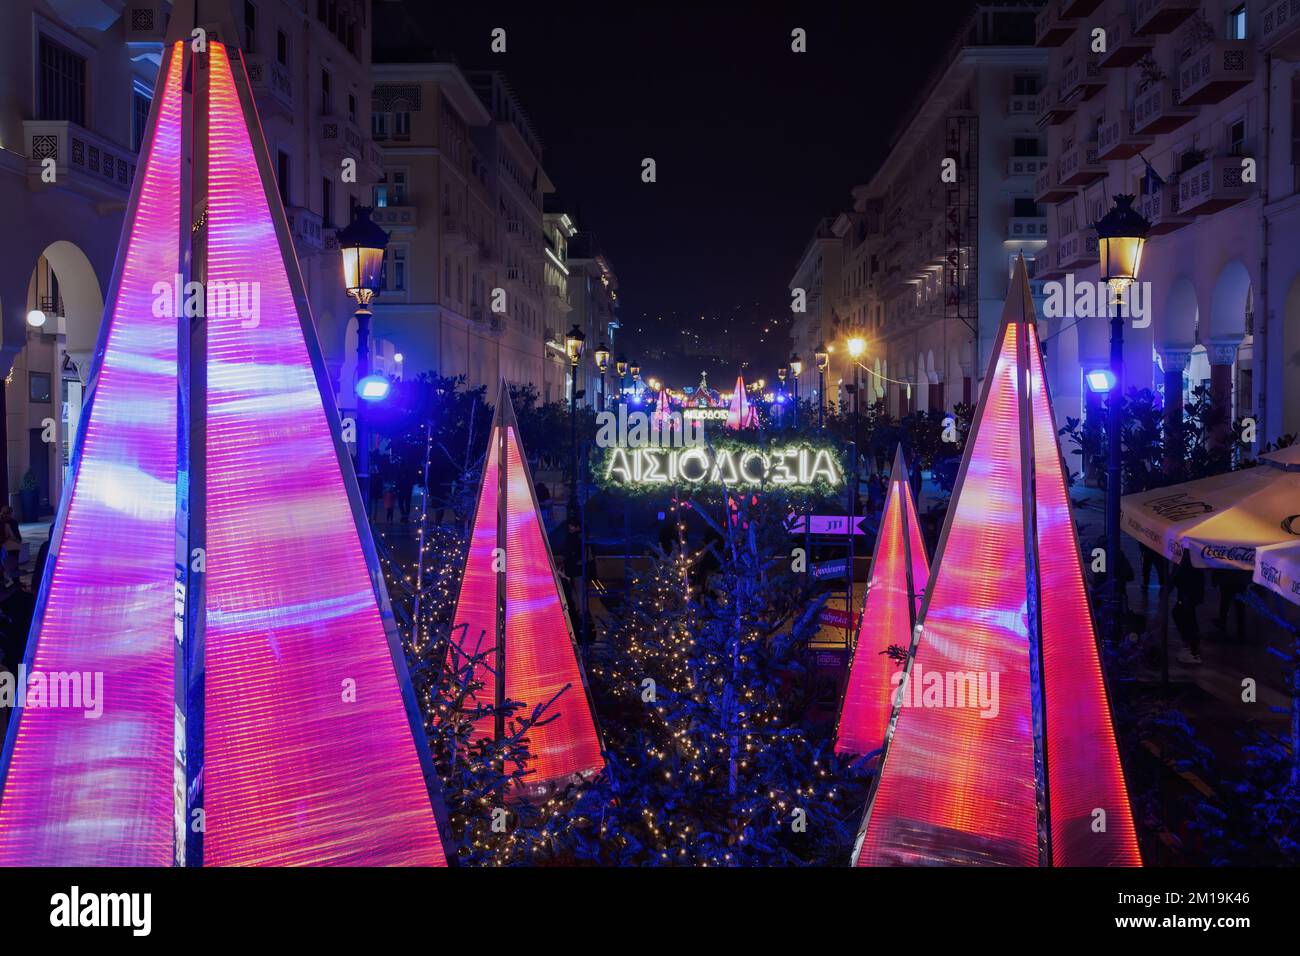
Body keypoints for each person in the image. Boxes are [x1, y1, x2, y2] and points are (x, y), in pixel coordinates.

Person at [1171, 554, 1204, 665]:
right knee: (1187, 618)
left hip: (1188, 593)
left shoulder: (1186, 557)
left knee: (1184, 618)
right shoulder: (1190, 556)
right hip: (1189, 593)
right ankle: (1191, 649)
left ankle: (1192, 651)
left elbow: (1180, 575)